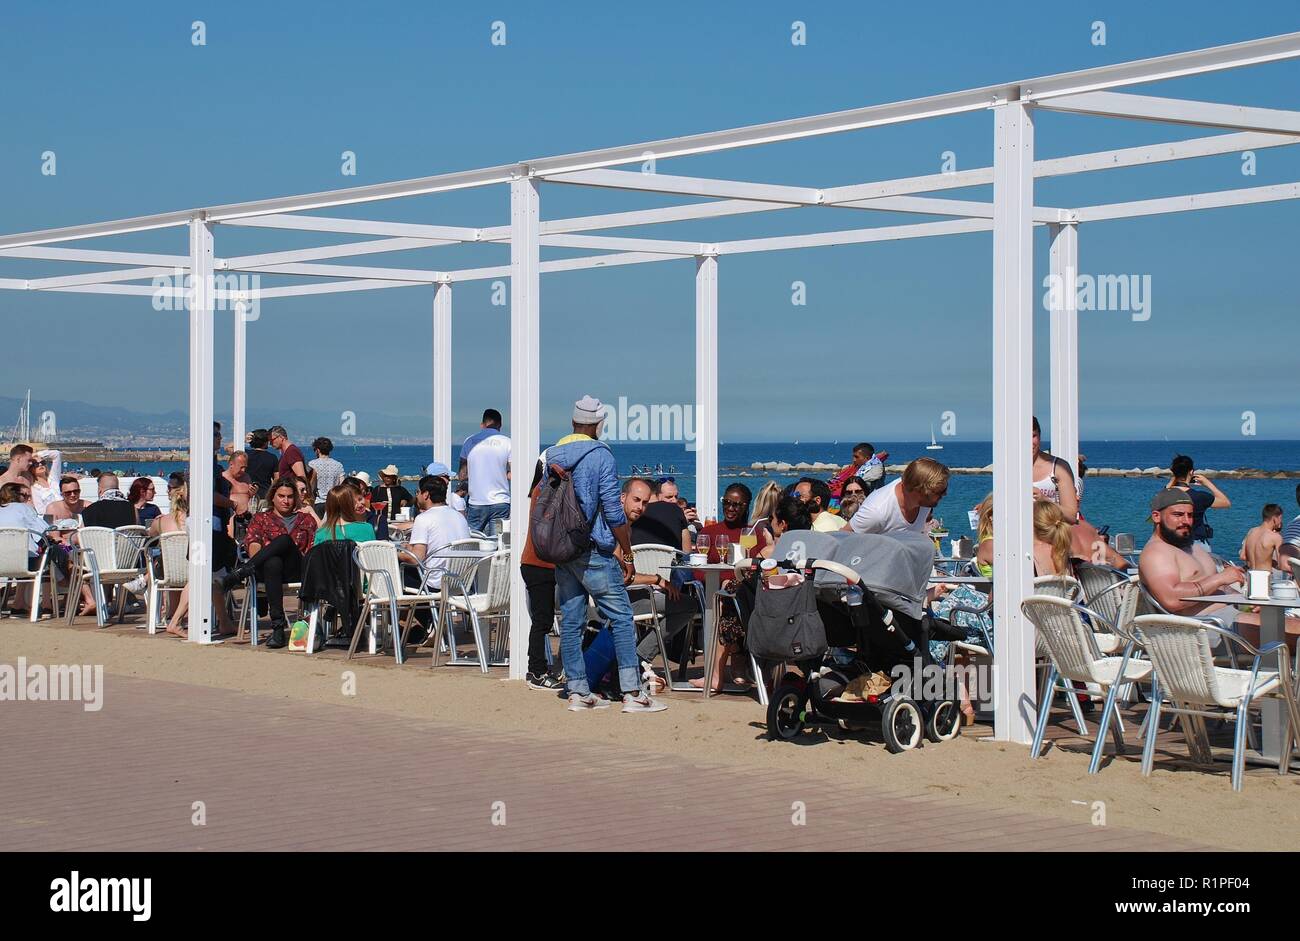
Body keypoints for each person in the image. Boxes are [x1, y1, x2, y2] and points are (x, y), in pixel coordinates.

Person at [546, 395, 665, 713]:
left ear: (573, 423)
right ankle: (632, 693)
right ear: (598, 425)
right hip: (593, 550)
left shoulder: (553, 454)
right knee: (623, 617)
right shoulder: (601, 455)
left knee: (572, 622)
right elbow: (613, 511)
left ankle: (578, 692)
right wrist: (626, 552)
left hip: (562, 549)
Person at [224, 478, 318, 648]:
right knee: (273, 562)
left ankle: (242, 571)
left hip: (296, 568)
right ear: (272, 497)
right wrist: (264, 557)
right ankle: (277, 627)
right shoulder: (261, 518)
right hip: (268, 571)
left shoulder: (306, 520)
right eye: (281, 496)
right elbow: (253, 546)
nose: (286, 500)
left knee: (284, 541)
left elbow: (312, 549)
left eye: (289, 497)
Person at [1138, 489, 1243, 618]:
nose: (1186, 521)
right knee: (1261, 624)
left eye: (1190, 515)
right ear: (1156, 516)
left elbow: (1218, 587)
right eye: (1178, 515)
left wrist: (1242, 600)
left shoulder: (1192, 546)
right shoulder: (1156, 553)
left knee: (1269, 618)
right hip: (1198, 628)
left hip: (1224, 615)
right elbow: (1171, 599)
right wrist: (1220, 578)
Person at [149, 487, 236, 638]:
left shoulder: (163, 521)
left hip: (174, 569)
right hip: (195, 558)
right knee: (204, 576)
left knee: (212, 578)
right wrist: (233, 504)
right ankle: (176, 621)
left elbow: (149, 539)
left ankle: (224, 622)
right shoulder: (198, 518)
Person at [520, 456, 561, 690]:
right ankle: (536, 670)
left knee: (544, 618)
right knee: (542, 620)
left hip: (539, 563)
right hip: (540, 564)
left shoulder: (539, 490)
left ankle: (541, 667)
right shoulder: (544, 490)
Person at [849, 457, 949, 536]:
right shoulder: (877, 512)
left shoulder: (924, 502)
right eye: (940, 492)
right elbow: (841, 539)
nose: (945, 494)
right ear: (918, 490)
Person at [407, 474, 471, 593]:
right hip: (461, 582)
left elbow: (416, 558)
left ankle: (395, 611)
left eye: (418, 492)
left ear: (425, 495)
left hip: (435, 584)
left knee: (397, 573)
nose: (417, 495)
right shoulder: (459, 516)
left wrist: (397, 554)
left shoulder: (423, 518)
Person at [460, 408, 512, 535]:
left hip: (476, 501)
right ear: (500, 425)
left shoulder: (469, 441)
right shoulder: (508, 442)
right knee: (499, 542)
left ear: (482, 424)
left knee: (472, 542)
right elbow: (513, 474)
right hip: (501, 501)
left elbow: (462, 475)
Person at [1167, 454, 1230, 552]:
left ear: (1174, 472)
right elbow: (1226, 502)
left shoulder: (1164, 496)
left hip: (1172, 543)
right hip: (1197, 544)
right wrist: (1207, 483)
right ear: (1191, 472)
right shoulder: (1200, 496)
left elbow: (1166, 491)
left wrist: (1174, 479)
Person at [698, 483, 768, 561]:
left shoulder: (753, 533)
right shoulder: (708, 532)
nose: (730, 508)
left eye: (736, 505)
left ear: (745, 506)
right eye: (726, 502)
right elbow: (698, 567)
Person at [1031, 417, 1078, 521]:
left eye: (1033, 436)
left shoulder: (1059, 467)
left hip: (1051, 533)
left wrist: (1044, 500)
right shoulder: (1009, 470)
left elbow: (1071, 516)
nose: (1030, 442)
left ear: (1040, 436)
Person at [632, 478, 691, 551]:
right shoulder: (676, 510)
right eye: (669, 497)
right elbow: (687, 552)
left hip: (639, 561)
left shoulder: (632, 515)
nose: (675, 501)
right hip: (670, 561)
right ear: (657, 495)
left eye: (676, 497)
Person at [313, 484, 377, 545]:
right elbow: (372, 554)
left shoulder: (321, 533)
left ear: (329, 506)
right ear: (349, 504)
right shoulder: (366, 528)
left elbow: (316, 555)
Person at [1241, 504, 1285, 573]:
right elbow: (1282, 565)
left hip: (1250, 576)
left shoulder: (1251, 531)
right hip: (1264, 577)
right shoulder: (1276, 537)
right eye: (1280, 518)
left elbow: (1242, 556)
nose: (1280, 521)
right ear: (1274, 519)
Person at [244, 429, 278, 502]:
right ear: (265, 442)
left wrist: (244, 440)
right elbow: (277, 479)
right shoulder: (272, 457)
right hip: (265, 495)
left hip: (247, 494)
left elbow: (228, 447)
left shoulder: (245, 455)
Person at [308, 437, 345, 505]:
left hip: (318, 502)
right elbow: (342, 485)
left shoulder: (312, 464)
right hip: (334, 502)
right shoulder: (338, 465)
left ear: (318, 450)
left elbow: (310, 486)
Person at [223, 452, 256, 519]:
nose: (243, 470)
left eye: (245, 467)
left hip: (247, 518)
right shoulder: (223, 478)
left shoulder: (246, 477)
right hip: (230, 518)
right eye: (241, 467)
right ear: (231, 464)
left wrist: (253, 492)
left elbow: (250, 496)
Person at [29, 450, 62, 515]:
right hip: (53, 519)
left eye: (42, 462)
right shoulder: (34, 489)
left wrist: (37, 454)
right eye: (36, 464)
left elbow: (56, 454)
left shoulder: (53, 478)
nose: (40, 464)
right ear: (31, 469)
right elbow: (41, 511)